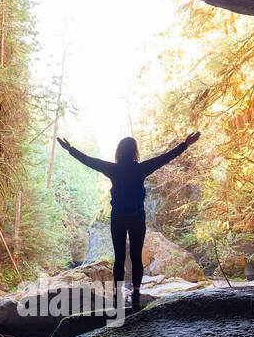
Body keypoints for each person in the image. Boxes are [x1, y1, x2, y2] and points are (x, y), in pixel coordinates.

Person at [57, 131, 200, 309]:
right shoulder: (141, 168)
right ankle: (136, 293)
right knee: (136, 256)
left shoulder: (113, 169)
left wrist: (70, 149)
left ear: (119, 152)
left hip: (118, 217)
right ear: (134, 152)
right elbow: (165, 158)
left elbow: (89, 161)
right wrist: (184, 145)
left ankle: (118, 294)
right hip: (137, 217)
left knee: (119, 257)